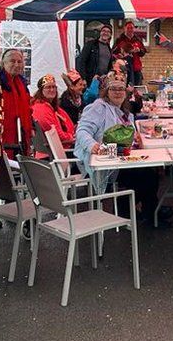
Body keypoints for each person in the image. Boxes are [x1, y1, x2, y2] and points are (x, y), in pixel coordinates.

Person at [74, 72, 161, 224]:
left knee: (151, 171)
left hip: (121, 158)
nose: (117, 92)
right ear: (106, 91)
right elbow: (82, 131)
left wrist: (137, 137)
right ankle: (144, 214)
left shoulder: (125, 111)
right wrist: (92, 145)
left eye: (121, 89)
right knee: (148, 176)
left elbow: (127, 134)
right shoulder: (98, 107)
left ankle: (140, 212)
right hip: (104, 163)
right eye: (113, 89)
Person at [31, 74, 76, 147]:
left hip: (61, 147)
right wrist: (71, 137)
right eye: (48, 87)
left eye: (54, 87)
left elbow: (70, 125)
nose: (52, 90)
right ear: (41, 90)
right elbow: (53, 133)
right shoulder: (40, 108)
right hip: (52, 152)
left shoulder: (55, 108)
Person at [113, 21, 148, 86]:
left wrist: (139, 50)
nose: (130, 30)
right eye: (128, 28)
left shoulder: (138, 39)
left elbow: (143, 52)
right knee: (124, 87)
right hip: (123, 69)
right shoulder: (119, 39)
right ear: (124, 28)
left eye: (131, 28)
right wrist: (119, 55)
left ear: (134, 29)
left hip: (136, 68)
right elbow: (113, 53)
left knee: (137, 87)